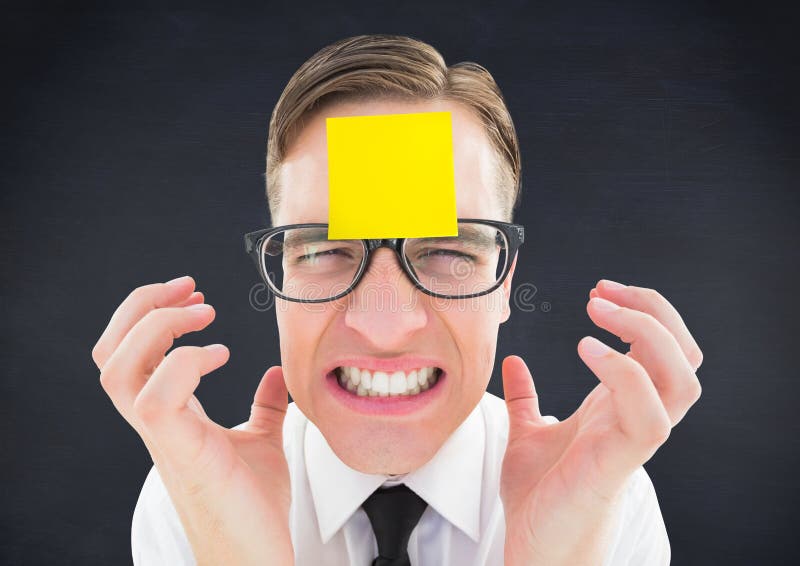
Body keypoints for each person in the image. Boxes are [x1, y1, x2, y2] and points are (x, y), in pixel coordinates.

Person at [93, 34, 703, 565]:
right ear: (278, 269)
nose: (385, 326)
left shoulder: (609, 500)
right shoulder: (189, 496)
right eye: (325, 250)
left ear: (506, 281)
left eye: (449, 252)